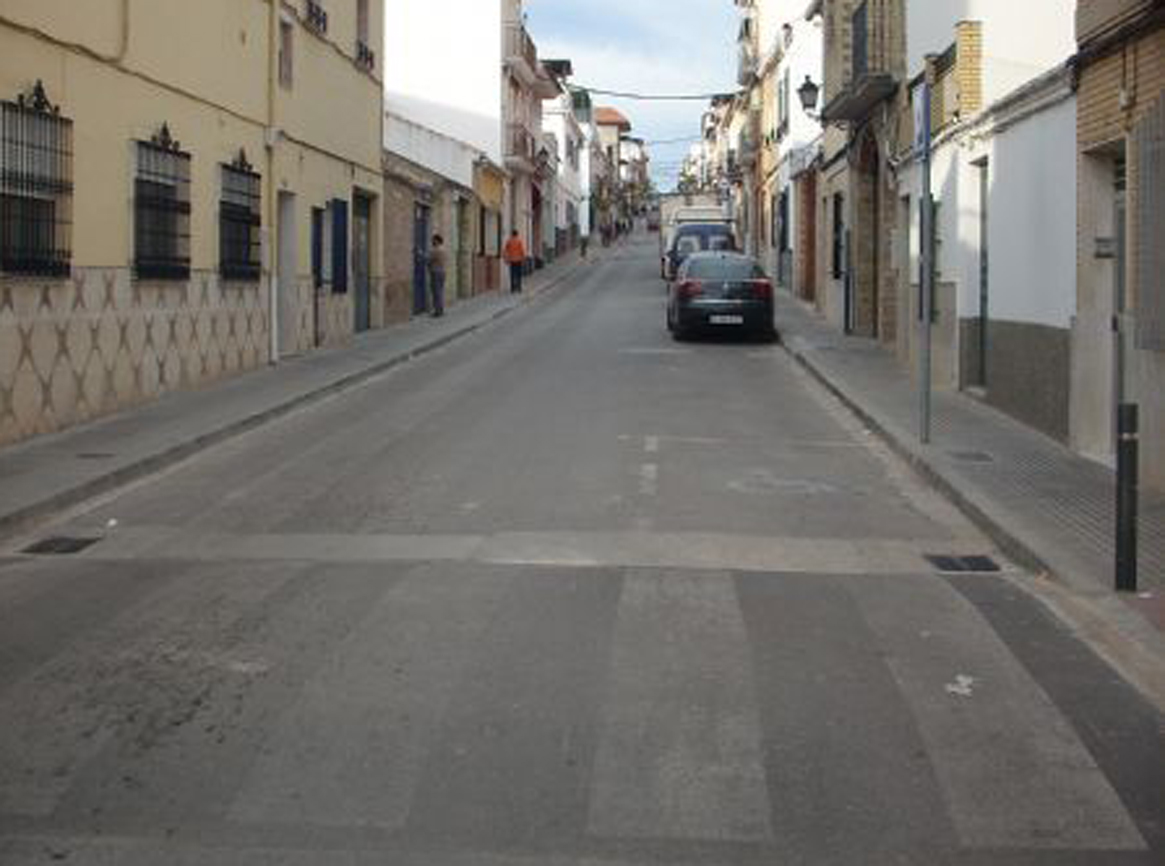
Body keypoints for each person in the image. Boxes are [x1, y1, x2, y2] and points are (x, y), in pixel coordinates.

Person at [427, 233, 447, 317]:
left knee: (436, 292)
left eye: (433, 240)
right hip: (442, 272)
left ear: (437, 241)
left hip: (436, 272)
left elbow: (429, 260)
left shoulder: (436, 250)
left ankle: (437, 311)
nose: (432, 241)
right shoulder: (443, 249)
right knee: (440, 292)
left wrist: (420, 253)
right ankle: (440, 310)